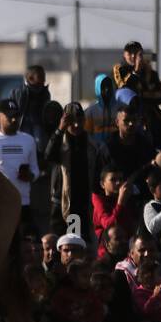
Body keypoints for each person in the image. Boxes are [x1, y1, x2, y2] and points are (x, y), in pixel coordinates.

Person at [0, 100, 40, 234]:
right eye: (10, 116)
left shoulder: (28, 140)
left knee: (26, 244)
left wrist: (30, 175)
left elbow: (35, 169)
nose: (14, 119)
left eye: (17, 115)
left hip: (23, 203)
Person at [45, 102, 96, 242]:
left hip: (83, 203)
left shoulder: (90, 143)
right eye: (72, 121)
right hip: (62, 202)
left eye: (80, 121)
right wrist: (60, 129)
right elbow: (49, 155)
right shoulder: (59, 140)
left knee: (80, 244)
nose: (76, 125)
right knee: (60, 243)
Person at [113, 43, 161, 150]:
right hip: (128, 111)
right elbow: (124, 90)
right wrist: (136, 72)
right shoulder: (120, 69)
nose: (133, 56)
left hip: (150, 112)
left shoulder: (150, 73)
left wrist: (144, 93)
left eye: (136, 53)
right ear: (124, 54)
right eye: (130, 53)